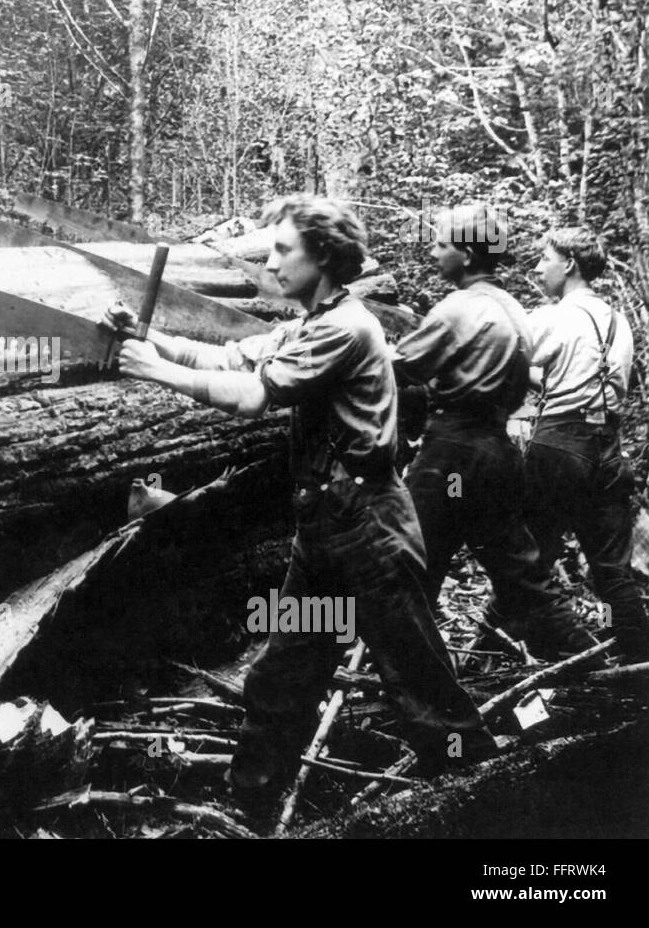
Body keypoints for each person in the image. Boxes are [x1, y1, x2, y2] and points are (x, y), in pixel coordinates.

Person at [106, 194, 496, 810]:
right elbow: (229, 357)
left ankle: (493, 804)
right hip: (323, 537)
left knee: (420, 687)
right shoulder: (311, 323)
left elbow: (251, 397)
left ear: (324, 255)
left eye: (285, 249)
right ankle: (249, 805)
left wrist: (155, 372)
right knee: (280, 676)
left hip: (371, 538)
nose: (272, 259)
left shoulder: (347, 327)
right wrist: (149, 340)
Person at [393, 205, 591, 658]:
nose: (434, 251)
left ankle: (421, 686)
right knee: (523, 573)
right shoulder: (513, 307)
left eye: (441, 244)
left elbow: (403, 365)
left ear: (464, 254)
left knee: (413, 563)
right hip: (496, 452)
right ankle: (596, 662)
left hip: (453, 455)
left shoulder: (460, 307)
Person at [522, 228, 649, 663]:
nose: (538, 269)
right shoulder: (618, 322)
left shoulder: (551, 317)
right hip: (608, 450)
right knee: (613, 570)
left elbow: (505, 359)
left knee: (529, 559)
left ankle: (566, 649)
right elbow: (596, 379)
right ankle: (641, 666)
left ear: (570, 264)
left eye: (545, 259)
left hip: (559, 445)